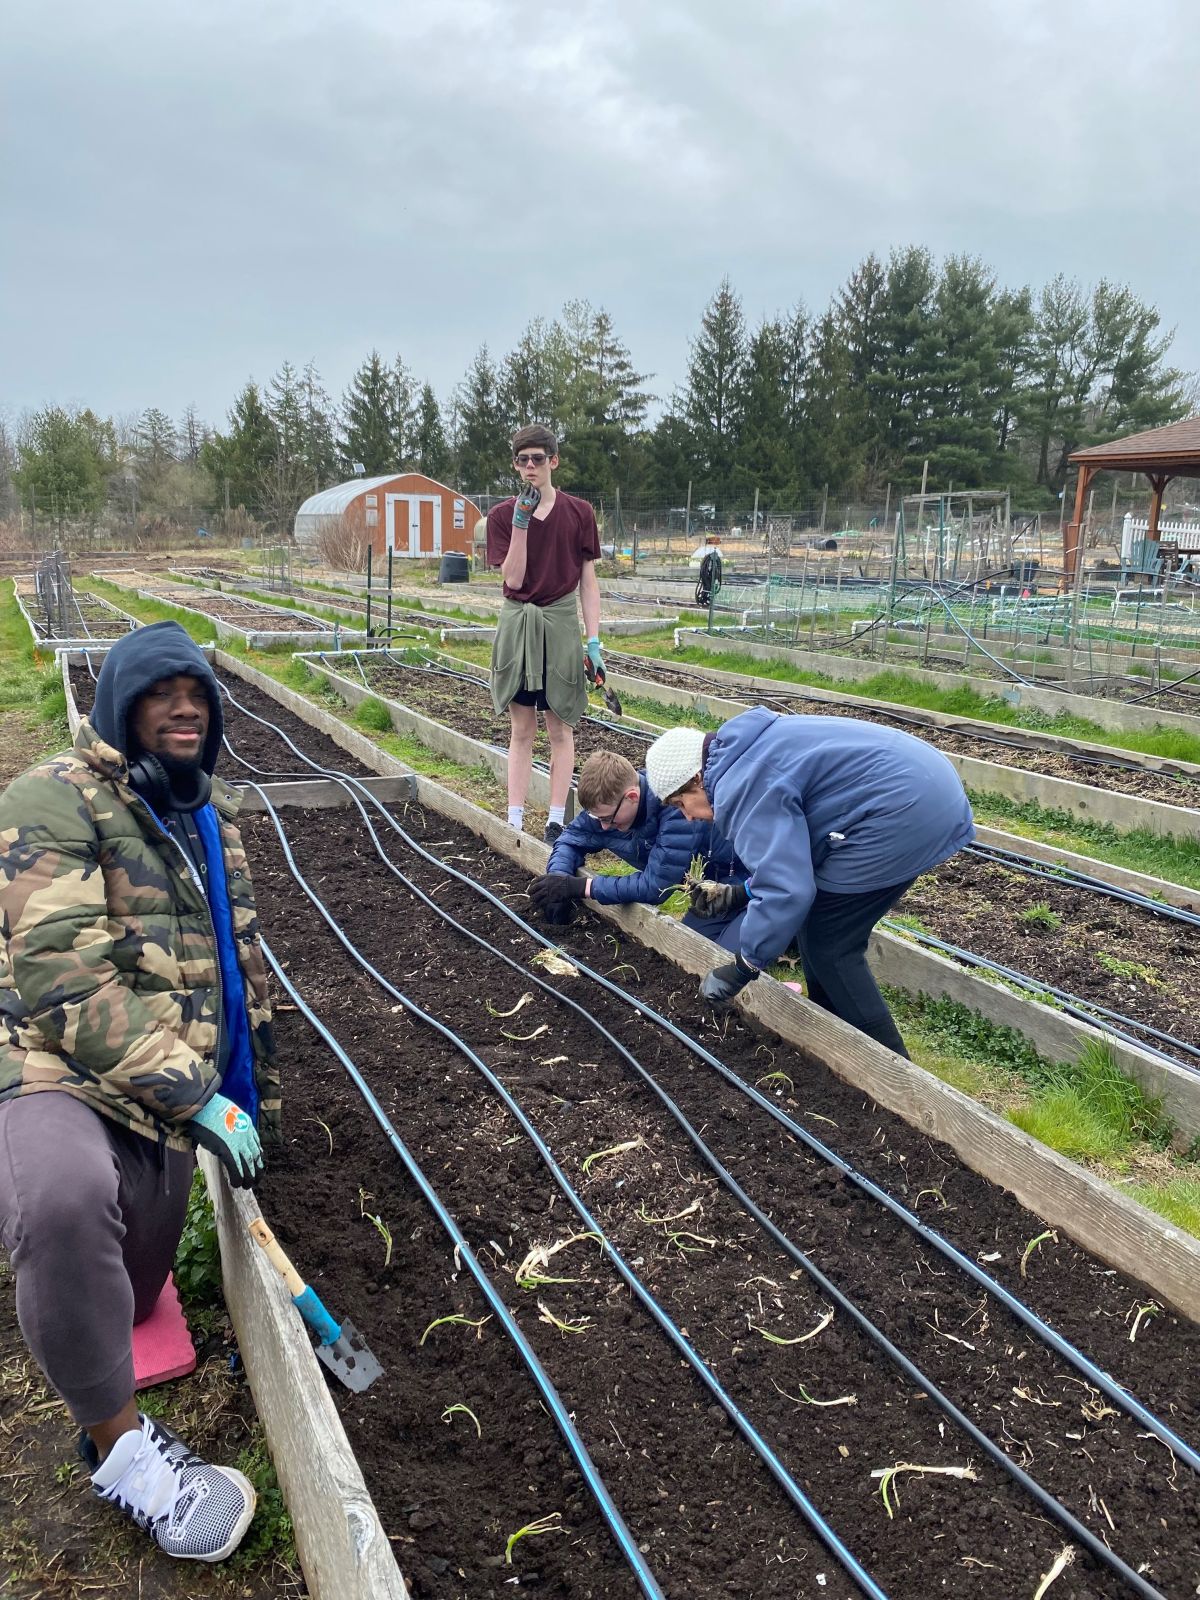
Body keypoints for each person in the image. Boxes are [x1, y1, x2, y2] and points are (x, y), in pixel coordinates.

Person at [0, 621, 278, 1563]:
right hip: (51, 1068)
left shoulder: (212, 810)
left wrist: (245, 1098)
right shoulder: (49, 797)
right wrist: (196, 1094)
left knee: (130, 1296)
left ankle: (79, 1294)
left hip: (153, 1093)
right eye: (161, 694)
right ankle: (125, 1457)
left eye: (198, 693)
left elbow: (232, 972)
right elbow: (63, 977)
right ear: (121, 706)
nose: (184, 707)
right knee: (64, 1199)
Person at [644, 708, 974, 1056]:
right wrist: (744, 894)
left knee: (830, 945)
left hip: (904, 809)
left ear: (697, 778)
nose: (689, 816)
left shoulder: (738, 786)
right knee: (818, 934)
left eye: (682, 804)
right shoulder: (739, 754)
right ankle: (836, 1044)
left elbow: (790, 890)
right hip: (922, 782)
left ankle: (898, 1073)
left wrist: (743, 968)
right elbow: (796, 855)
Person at [487, 425, 604, 844]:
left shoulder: (579, 513)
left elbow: (587, 583)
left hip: (559, 625)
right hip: (519, 625)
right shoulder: (502, 516)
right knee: (521, 729)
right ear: (515, 465)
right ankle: (514, 816)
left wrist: (593, 640)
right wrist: (521, 524)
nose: (531, 466)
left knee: (561, 726)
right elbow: (513, 577)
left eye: (538, 458)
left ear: (553, 461)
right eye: (523, 460)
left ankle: (556, 818)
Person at [528, 750, 749, 947]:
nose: (603, 826)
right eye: (598, 818)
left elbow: (656, 886)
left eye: (608, 819)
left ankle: (776, 922)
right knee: (692, 942)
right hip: (708, 889)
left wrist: (582, 887)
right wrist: (558, 876)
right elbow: (570, 839)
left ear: (632, 797)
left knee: (725, 951)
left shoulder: (675, 810)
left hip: (741, 875)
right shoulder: (609, 807)